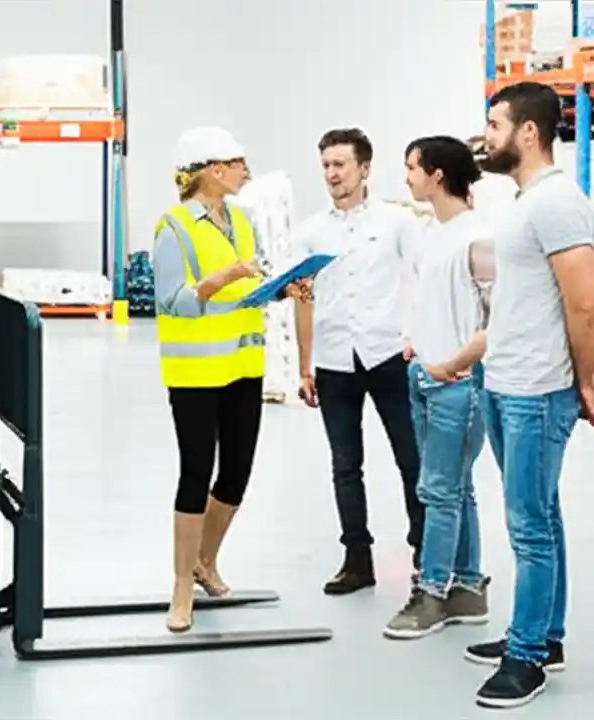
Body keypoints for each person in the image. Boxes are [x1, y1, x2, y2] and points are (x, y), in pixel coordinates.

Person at [463, 81, 594, 710]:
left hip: (538, 391)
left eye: (494, 125)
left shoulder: (559, 203)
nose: (485, 137)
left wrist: (588, 380)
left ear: (529, 133)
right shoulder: (521, 200)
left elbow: (585, 302)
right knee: (540, 516)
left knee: (529, 527)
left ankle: (527, 657)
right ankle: (545, 634)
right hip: (506, 378)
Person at [153, 126, 309, 632]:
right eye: (239, 162)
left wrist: (283, 290)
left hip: (244, 368)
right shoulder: (172, 228)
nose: (247, 170)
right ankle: (181, 587)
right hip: (196, 371)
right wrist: (223, 278)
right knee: (196, 473)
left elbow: (254, 284)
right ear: (214, 170)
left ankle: (206, 561)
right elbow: (171, 300)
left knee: (236, 472)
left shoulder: (241, 221)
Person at [293, 127, 425, 595]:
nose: (331, 173)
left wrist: (416, 337)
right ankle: (356, 559)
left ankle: (425, 554)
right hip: (334, 362)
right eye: (326, 165)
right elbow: (302, 299)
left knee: (411, 460)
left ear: (364, 169)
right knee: (345, 465)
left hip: (389, 355)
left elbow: (420, 281)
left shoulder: (397, 223)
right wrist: (304, 366)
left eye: (340, 164)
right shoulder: (310, 232)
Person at [382, 135, 494, 640]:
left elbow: (500, 318)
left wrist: (456, 362)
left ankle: (432, 592)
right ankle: (467, 588)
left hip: (459, 383)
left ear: (438, 175)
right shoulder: (432, 234)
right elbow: (428, 302)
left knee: (438, 491)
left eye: (411, 167)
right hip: (425, 377)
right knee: (455, 488)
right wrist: (413, 343)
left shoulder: (479, 237)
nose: (406, 177)